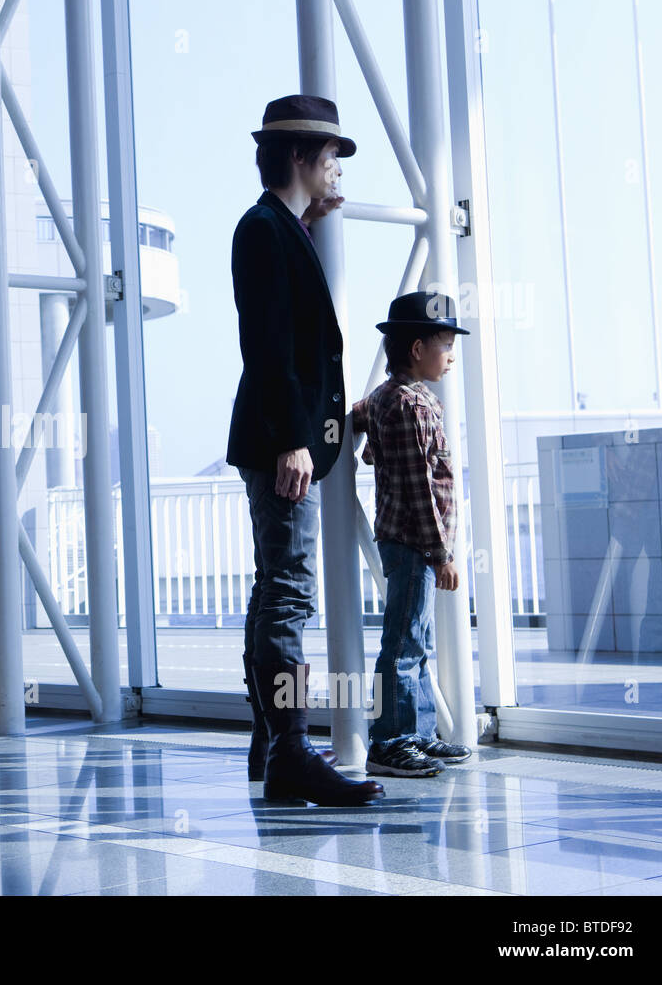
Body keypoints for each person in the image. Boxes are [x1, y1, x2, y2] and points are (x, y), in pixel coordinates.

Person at [226, 94, 384, 806]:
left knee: (274, 589)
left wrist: (306, 223)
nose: (334, 172)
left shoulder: (279, 228)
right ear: (298, 156)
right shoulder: (262, 230)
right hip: (280, 439)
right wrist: (294, 436)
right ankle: (290, 749)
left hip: (282, 436)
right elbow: (268, 346)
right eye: (328, 159)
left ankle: (273, 740)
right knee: (287, 592)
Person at [350, 292, 474, 776]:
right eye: (445, 344)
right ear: (418, 348)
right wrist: (441, 553)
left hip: (407, 539)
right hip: (414, 541)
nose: (451, 355)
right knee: (402, 643)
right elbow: (423, 489)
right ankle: (389, 742)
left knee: (414, 640)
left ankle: (417, 735)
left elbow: (363, 411)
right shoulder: (411, 406)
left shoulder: (394, 398)